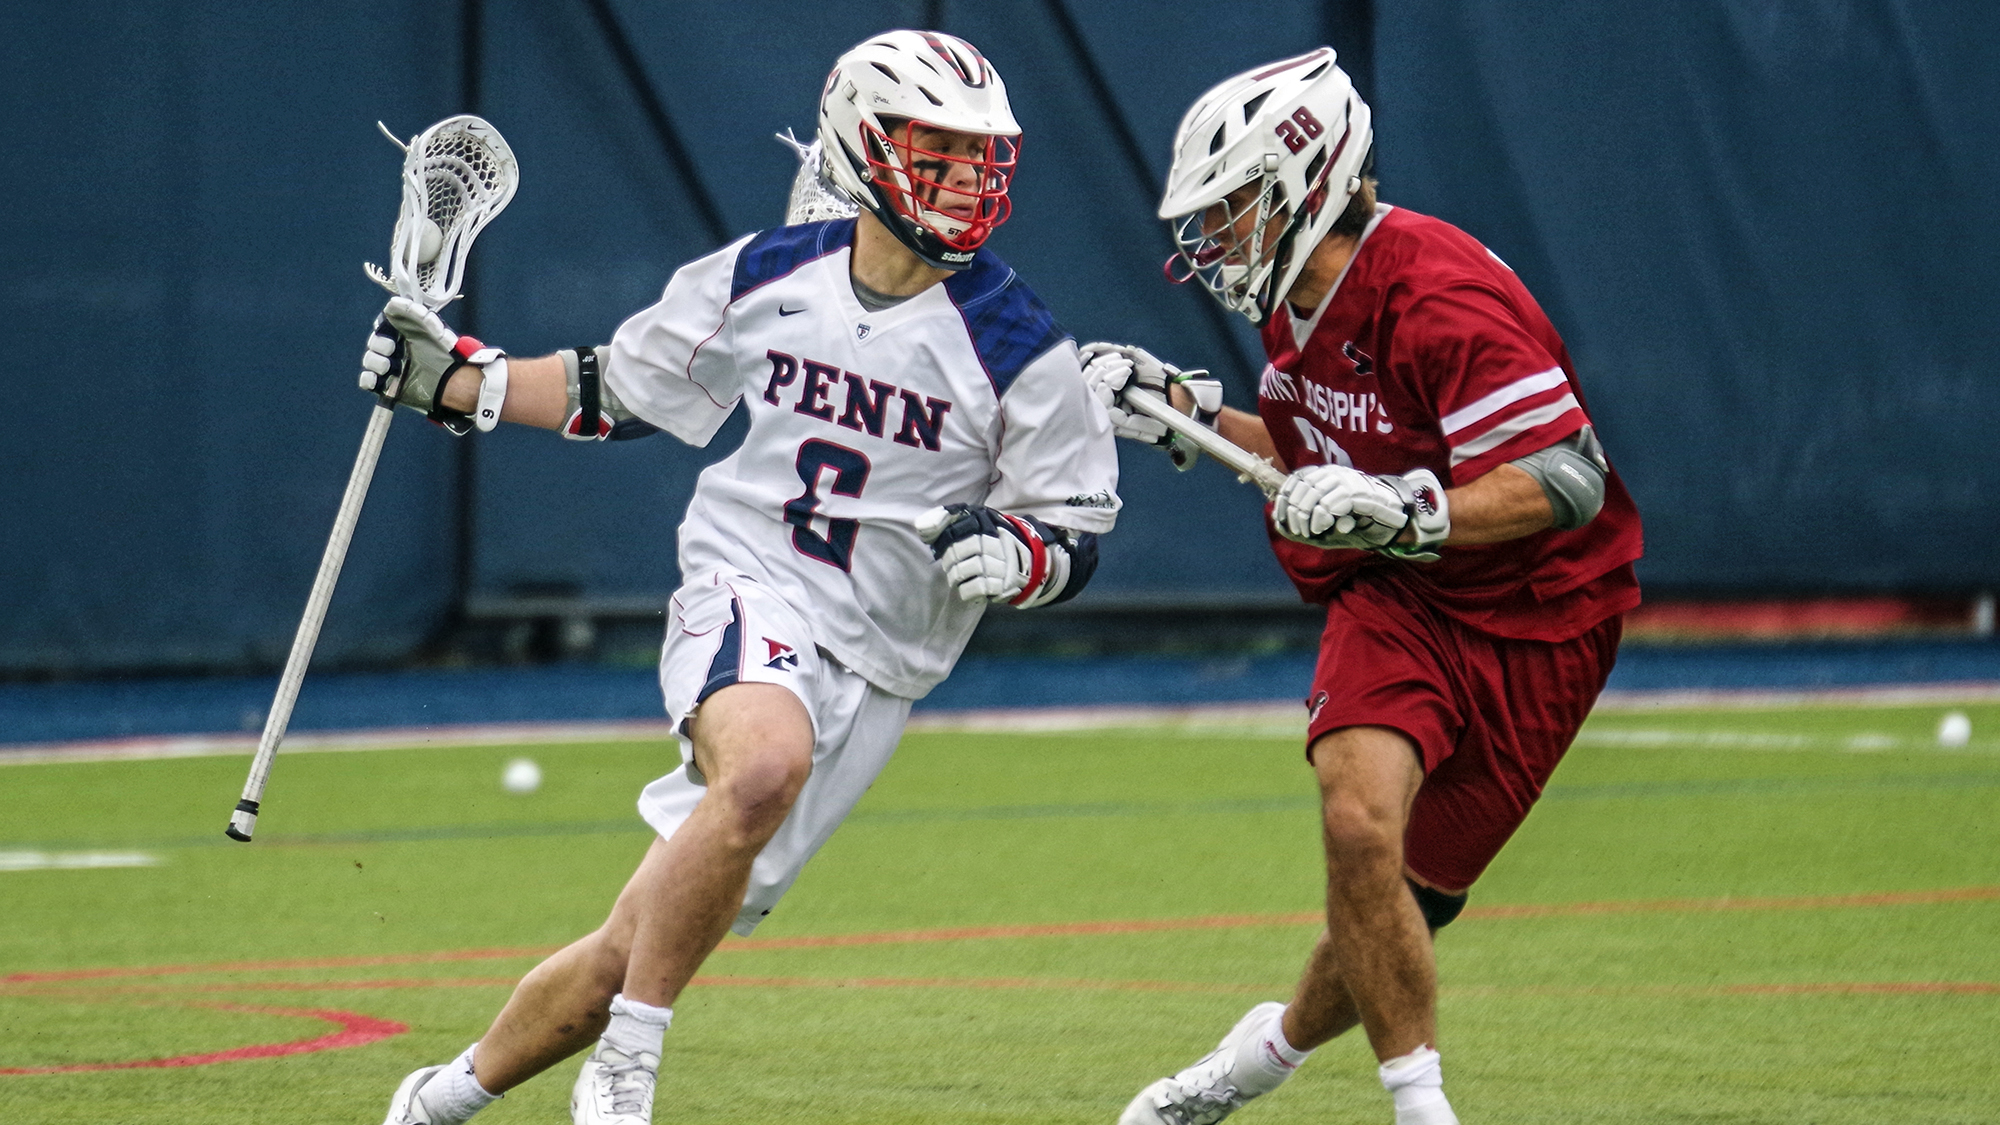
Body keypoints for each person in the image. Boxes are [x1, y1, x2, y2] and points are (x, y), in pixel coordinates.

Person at [360, 30, 1119, 1125]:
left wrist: (1021, 554)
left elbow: (1072, 528)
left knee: (631, 942)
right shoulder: (767, 273)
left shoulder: (1018, 347)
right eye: (934, 149)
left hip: (883, 661)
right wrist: (462, 385)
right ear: (863, 144)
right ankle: (628, 1068)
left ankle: (436, 1101)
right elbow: (614, 391)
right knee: (762, 766)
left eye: (976, 156)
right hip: (749, 577)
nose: (962, 178)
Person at [1084, 47, 1642, 1125]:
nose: (1214, 237)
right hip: (1400, 598)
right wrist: (1182, 410)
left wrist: (1408, 509)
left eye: (1235, 205)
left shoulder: (1436, 292)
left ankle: (1255, 1062)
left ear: (1309, 183)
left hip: (1543, 618)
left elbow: (1567, 477)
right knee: (1355, 826)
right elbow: (1319, 465)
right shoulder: (1294, 293)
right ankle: (1421, 1108)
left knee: (1402, 907)